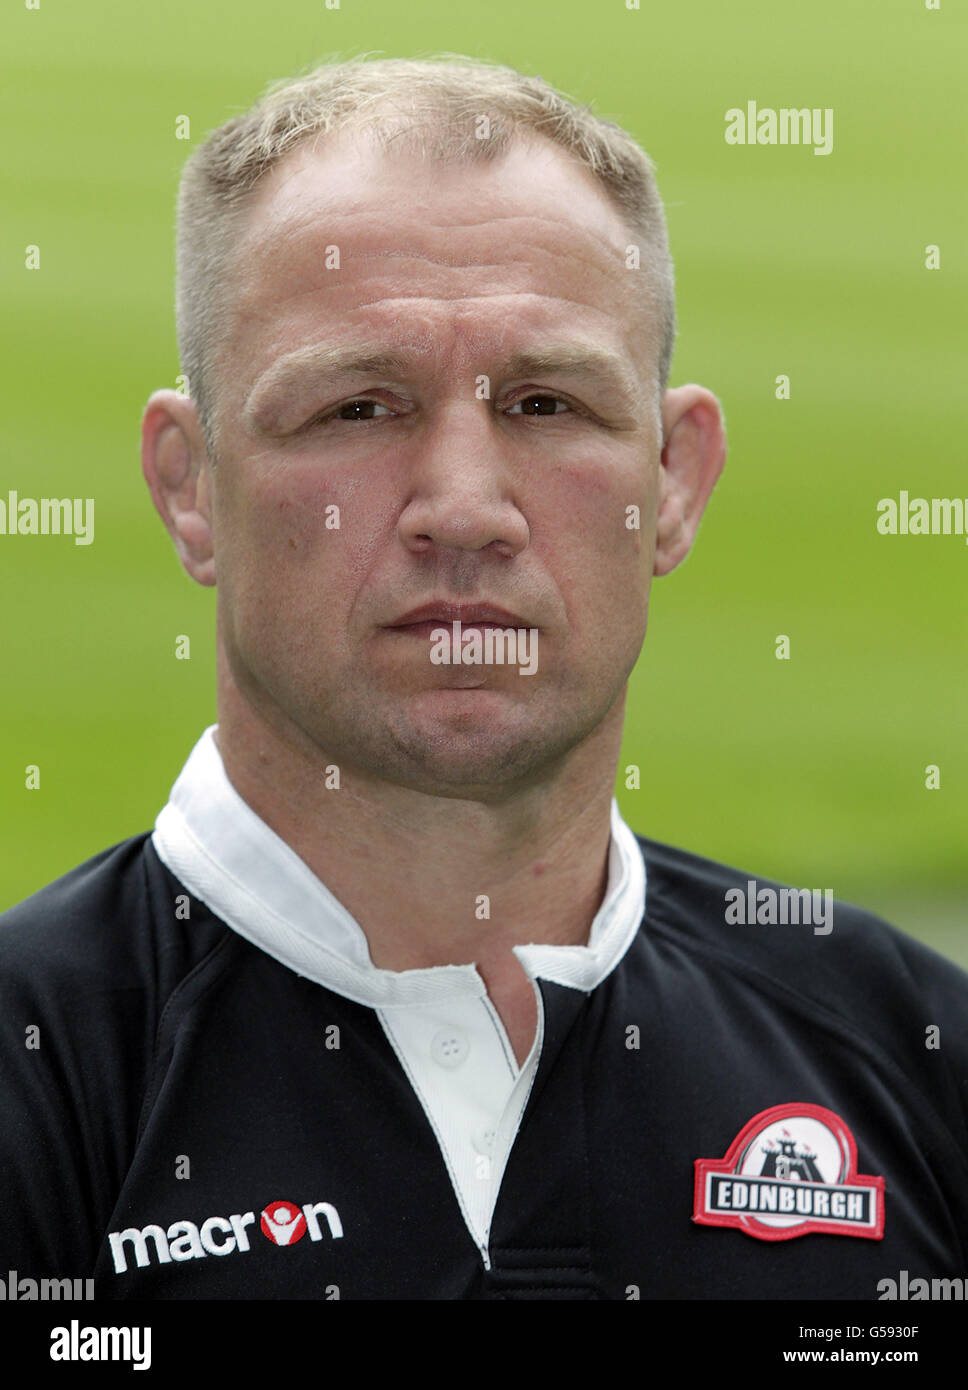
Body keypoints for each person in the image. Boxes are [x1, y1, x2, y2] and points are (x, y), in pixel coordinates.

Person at [1, 54, 966, 1302]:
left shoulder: (911, 1051)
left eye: (546, 402)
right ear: (190, 486)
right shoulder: (42, 1081)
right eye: (357, 407)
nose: (464, 509)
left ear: (672, 480)